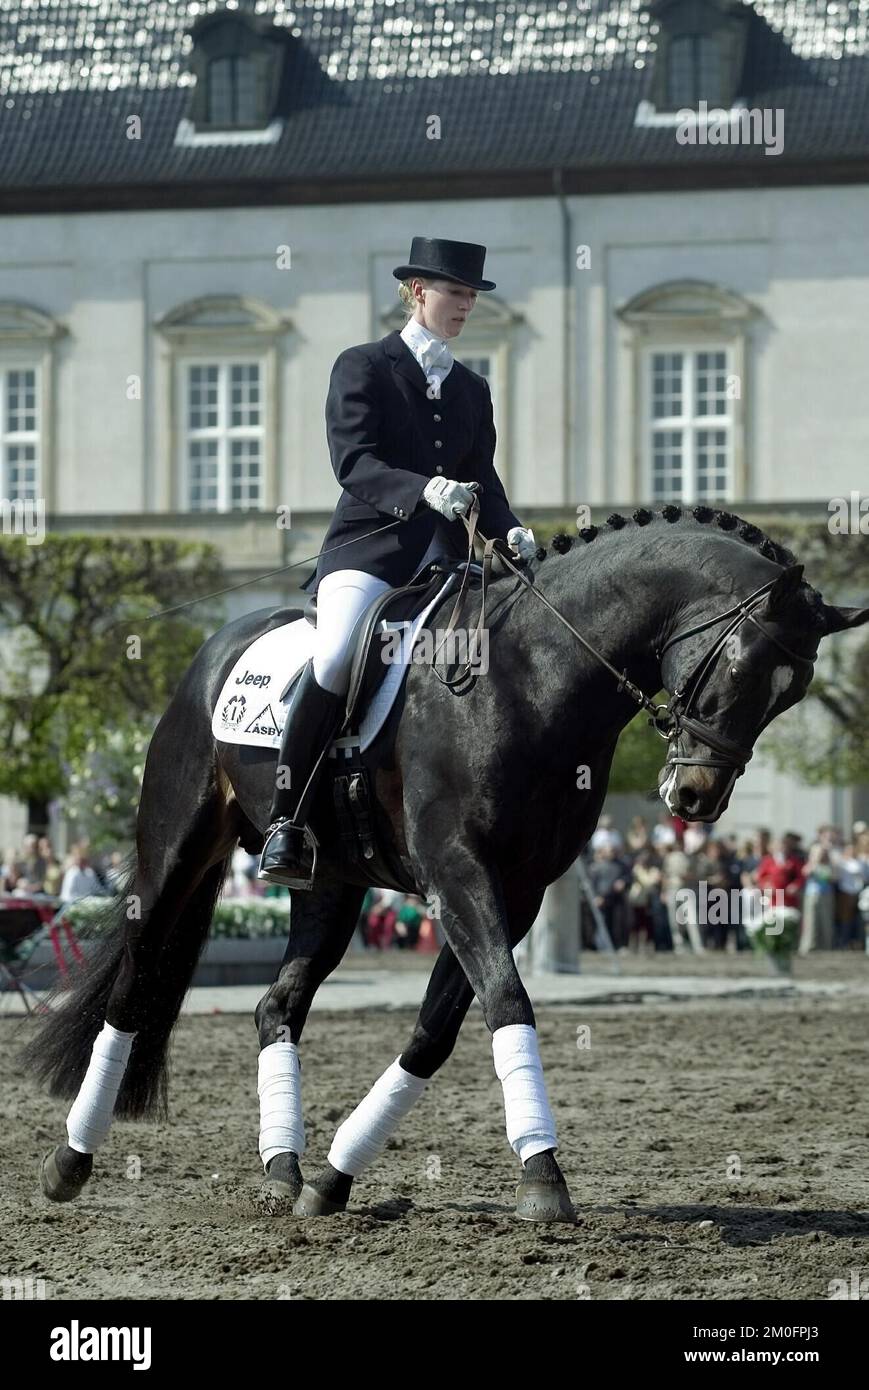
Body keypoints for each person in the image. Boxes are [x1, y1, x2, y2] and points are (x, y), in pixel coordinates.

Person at [258, 237, 536, 889]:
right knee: (335, 656)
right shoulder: (363, 366)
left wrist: (513, 530)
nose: (465, 305)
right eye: (455, 292)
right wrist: (423, 490)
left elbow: (483, 480)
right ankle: (286, 819)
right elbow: (354, 462)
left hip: (447, 563)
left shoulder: (472, 388)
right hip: (371, 553)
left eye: (471, 296)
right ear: (417, 291)